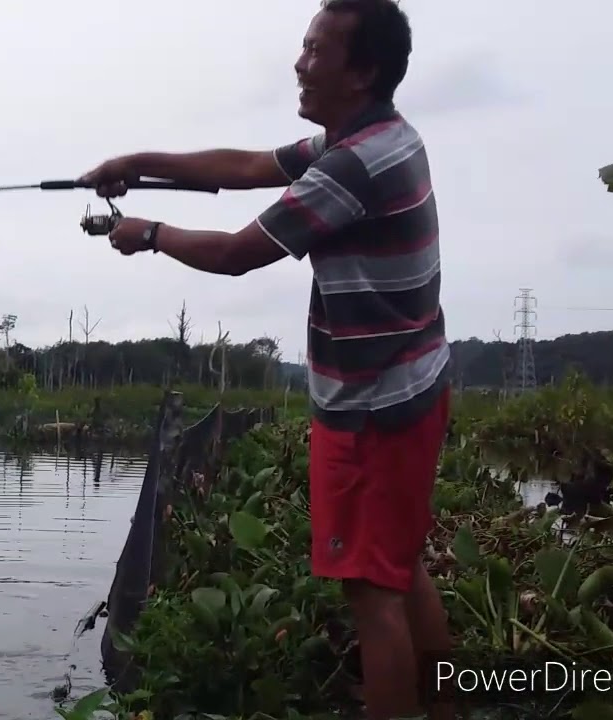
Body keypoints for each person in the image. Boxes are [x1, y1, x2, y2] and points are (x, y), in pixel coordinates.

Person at [78, 2, 452, 719]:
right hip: (414, 388)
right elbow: (247, 166)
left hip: (374, 410)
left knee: (372, 594)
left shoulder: (351, 166)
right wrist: (138, 164)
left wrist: (149, 234)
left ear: (362, 71)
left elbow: (235, 254)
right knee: (401, 568)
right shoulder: (377, 137)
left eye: (316, 50)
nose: (299, 63)